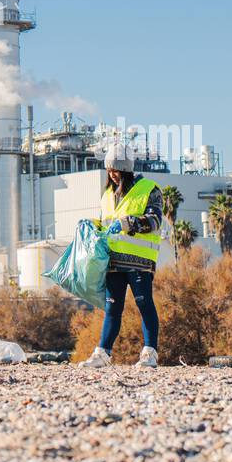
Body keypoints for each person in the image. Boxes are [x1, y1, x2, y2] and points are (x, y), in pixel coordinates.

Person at [79, 143, 163, 368]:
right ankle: (102, 354)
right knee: (112, 308)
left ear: (126, 170)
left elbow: (155, 222)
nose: (111, 175)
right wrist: (93, 225)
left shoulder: (149, 189)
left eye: (115, 170)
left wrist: (127, 223)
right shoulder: (107, 195)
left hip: (139, 262)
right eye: (108, 170)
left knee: (144, 305)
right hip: (113, 262)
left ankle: (150, 353)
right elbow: (106, 223)